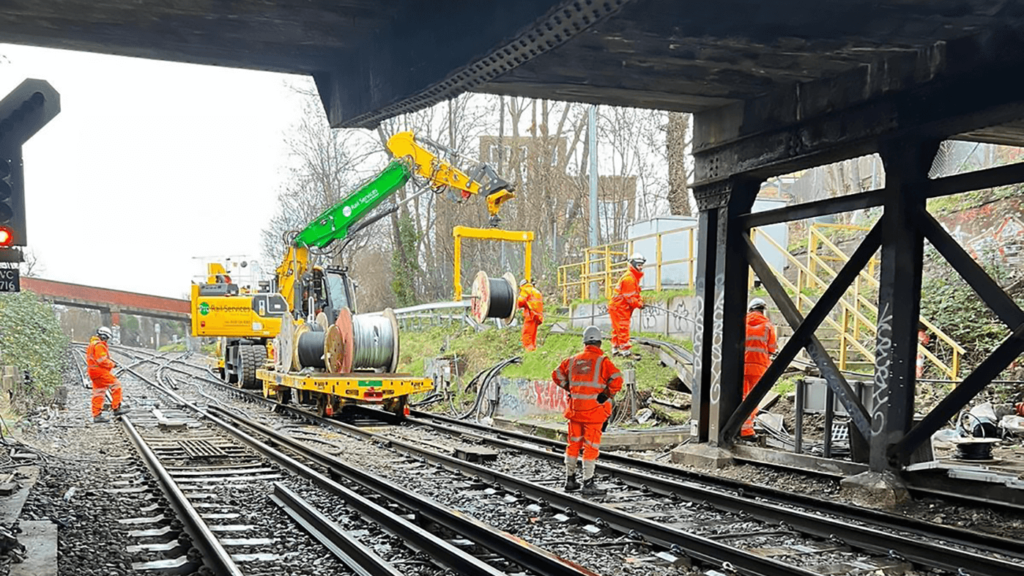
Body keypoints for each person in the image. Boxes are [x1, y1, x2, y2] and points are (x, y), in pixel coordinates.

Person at [553, 326, 623, 495]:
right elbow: (617, 379)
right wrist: (606, 395)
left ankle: (570, 480)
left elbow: (556, 374)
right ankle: (588, 482)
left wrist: (570, 388)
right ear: (599, 343)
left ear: (584, 342)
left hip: (575, 411)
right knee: (590, 447)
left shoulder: (572, 360)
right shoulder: (602, 361)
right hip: (594, 412)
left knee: (573, 444)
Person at [743, 298, 777, 439]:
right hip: (759, 367)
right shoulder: (768, 326)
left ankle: (736, 426)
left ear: (750, 309)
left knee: (740, 397)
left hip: (741, 368)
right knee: (753, 399)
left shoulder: (742, 323)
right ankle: (747, 431)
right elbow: (772, 348)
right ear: (763, 310)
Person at [608, 253, 645, 356]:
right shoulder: (629, 278)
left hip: (618, 306)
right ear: (633, 264)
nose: (641, 267)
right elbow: (630, 298)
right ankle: (625, 351)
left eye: (641, 265)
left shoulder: (632, 277)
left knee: (617, 329)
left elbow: (635, 294)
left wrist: (640, 301)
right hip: (620, 307)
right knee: (622, 328)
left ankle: (615, 349)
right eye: (639, 265)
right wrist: (639, 304)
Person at [86, 326, 123, 423]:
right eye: (106, 338)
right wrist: (113, 364)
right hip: (100, 371)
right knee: (116, 385)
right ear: (103, 336)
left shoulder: (92, 344)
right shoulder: (99, 345)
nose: (107, 340)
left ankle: (97, 415)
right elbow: (102, 360)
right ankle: (116, 408)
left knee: (99, 392)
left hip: (93, 372)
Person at [516, 278, 544, 351]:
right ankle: (533, 348)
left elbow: (520, 301)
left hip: (530, 315)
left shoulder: (525, 290)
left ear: (522, 285)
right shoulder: (536, 291)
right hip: (538, 316)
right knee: (533, 334)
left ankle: (529, 349)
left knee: (527, 333)